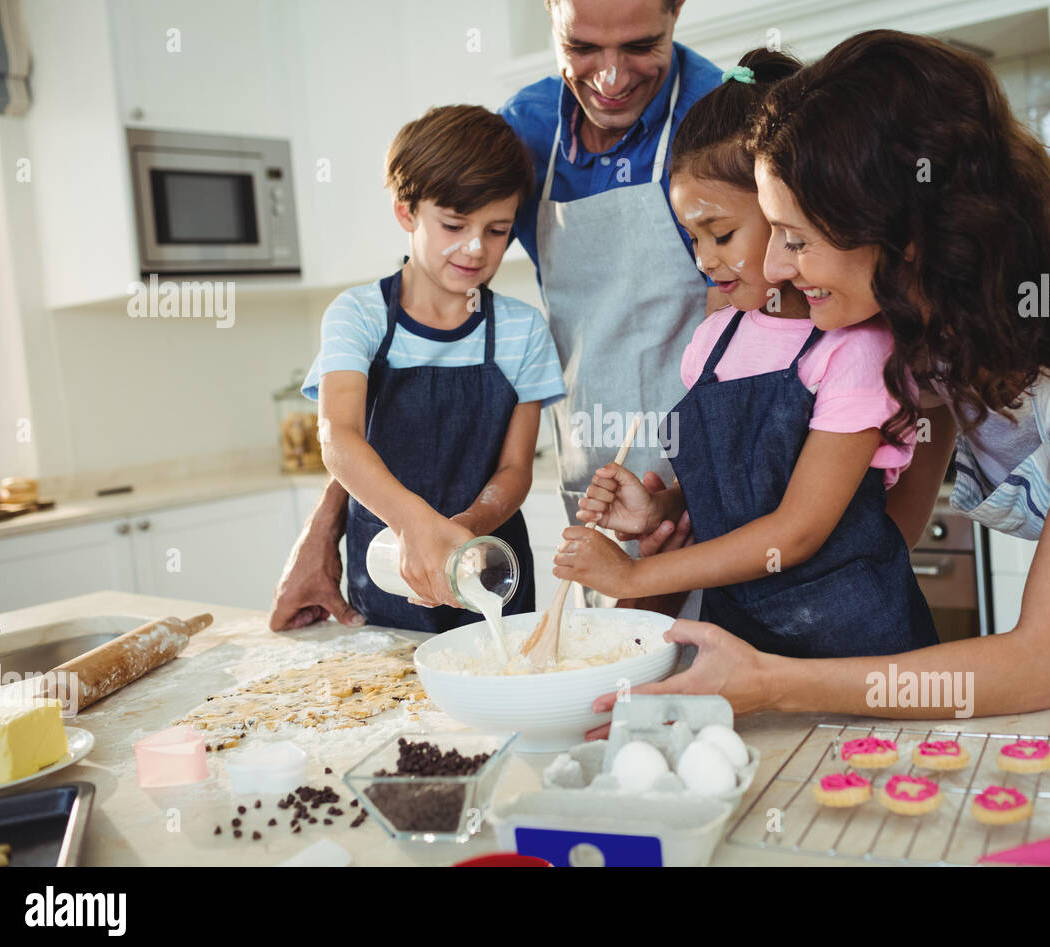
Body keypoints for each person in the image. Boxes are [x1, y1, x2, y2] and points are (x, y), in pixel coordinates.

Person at [586, 30, 1050, 731]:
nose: (779, 270)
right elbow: (881, 524)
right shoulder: (917, 317)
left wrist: (771, 682)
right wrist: (680, 512)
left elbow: (1037, 666)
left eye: (796, 239)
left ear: (902, 231)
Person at [270, 0, 721, 629]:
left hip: (705, 471)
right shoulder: (529, 131)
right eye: (582, 47)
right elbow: (430, 316)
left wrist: (697, 495)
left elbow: (759, 329)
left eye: (641, 46)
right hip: (593, 476)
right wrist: (324, 531)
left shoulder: (719, 121)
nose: (611, 78)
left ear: (678, 10)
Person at [555, 49, 938, 658]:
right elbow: (737, 500)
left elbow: (797, 529)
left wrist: (632, 577)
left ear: (784, 205)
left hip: (859, 648)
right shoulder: (712, 344)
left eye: (721, 233)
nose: (704, 259)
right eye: (692, 238)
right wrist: (662, 506)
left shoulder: (854, 349)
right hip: (742, 641)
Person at [301, 105, 566, 632]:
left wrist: (463, 531)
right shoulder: (359, 316)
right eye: (453, 224)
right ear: (406, 212)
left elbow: (514, 470)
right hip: (387, 572)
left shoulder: (523, 330)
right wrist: (414, 524)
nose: (475, 247)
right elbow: (339, 436)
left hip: (488, 566)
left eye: (496, 230)